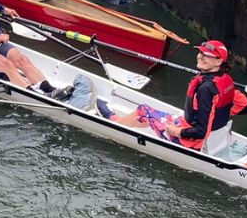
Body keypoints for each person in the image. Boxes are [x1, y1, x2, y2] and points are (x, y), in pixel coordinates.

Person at [100, 41, 234, 150]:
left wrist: (176, 131)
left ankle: (114, 122)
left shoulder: (205, 89)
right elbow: (241, 105)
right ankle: (135, 124)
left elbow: (201, 131)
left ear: (218, 62)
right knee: (151, 117)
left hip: (188, 141)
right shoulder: (225, 80)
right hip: (210, 135)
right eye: (200, 52)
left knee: (143, 109)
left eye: (207, 55)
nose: (200, 57)